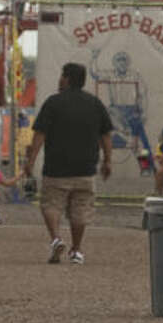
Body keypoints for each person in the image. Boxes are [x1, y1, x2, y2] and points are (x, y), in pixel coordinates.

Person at [22, 62, 113, 266]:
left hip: (56, 169)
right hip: (86, 169)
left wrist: (30, 161)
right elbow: (106, 134)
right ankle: (77, 250)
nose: (59, 79)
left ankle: (56, 239)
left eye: (62, 76)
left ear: (67, 79)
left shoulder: (53, 103)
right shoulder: (94, 103)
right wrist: (107, 161)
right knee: (80, 210)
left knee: (51, 204)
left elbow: (40, 135)